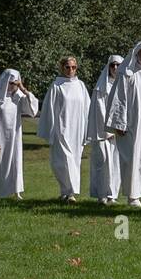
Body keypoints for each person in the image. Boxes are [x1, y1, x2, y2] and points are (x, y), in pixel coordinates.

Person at [105, 41, 141, 207]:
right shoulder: (127, 73)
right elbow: (119, 99)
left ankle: (138, 193)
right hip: (132, 124)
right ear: (136, 54)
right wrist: (119, 122)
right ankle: (132, 196)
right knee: (132, 158)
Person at [38, 57, 91, 201]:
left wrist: (88, 129)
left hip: (77, 130)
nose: (71, 70)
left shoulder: (81, 86)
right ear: (62, 68)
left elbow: (87, 109)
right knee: (61, 161)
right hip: (61, 128)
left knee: (74, 160)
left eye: (73, 67)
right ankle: (67, 191)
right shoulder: (56, 86)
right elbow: (49, 109)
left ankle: (69, 193)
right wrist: (51, 130)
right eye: (68, 67)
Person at [0, 69, 39, 199]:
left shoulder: (18, 97)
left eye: (15, 83)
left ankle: (16, 190)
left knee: (15, 162)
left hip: (14, 136)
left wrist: (23, 89)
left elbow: (33, 111)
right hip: (0, 137)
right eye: (11, 83)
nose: (13, 85)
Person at [87, 55, 124, 204]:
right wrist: (108, 130)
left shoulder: (124, 85)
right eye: (112, 65)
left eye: (118, 65)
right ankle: (101, 195)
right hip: (103, 132)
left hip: (119, 132)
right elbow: (99, 110)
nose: (115, 68)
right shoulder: (102, 86)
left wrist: (120, 127)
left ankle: (112, 195)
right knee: (102, 162)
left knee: (116, 164)